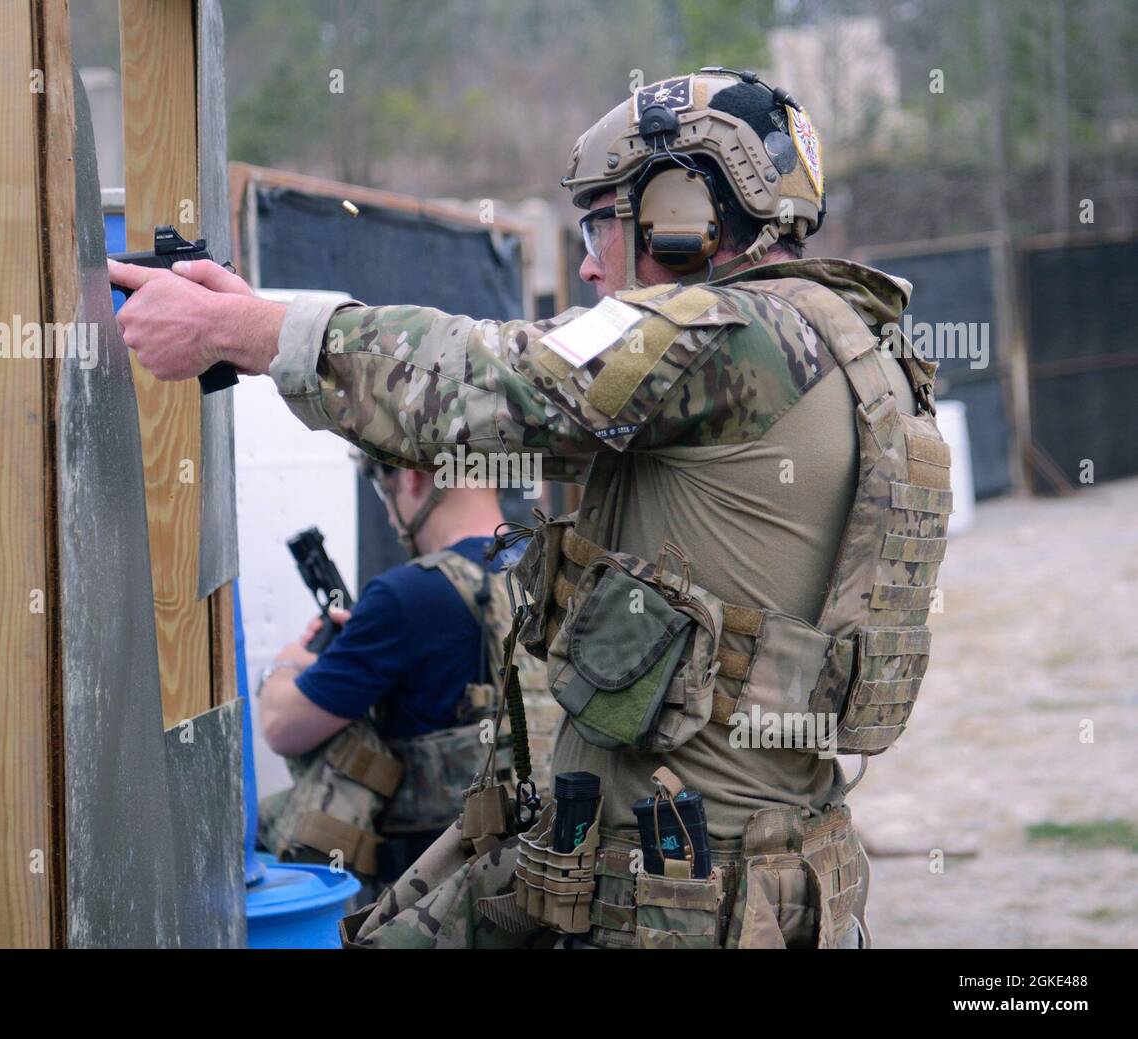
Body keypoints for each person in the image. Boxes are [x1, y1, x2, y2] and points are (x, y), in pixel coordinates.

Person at [109, 67, 951, 949]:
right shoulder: (850, 351)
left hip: (677, 903)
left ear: (682, 213)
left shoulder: (738, 336)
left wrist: (248, 335)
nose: (588, 260)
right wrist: (264, 325)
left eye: (602, 220)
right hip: (732, 871)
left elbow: (488, 382)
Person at [253, 456, 546, 891]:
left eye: (381, 487)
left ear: (410, 477)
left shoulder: (403, 594)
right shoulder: (550, 574)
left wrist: (289, 662)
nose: (390, 513)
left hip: (435, 902)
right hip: (550, 874)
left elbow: (284, 727)